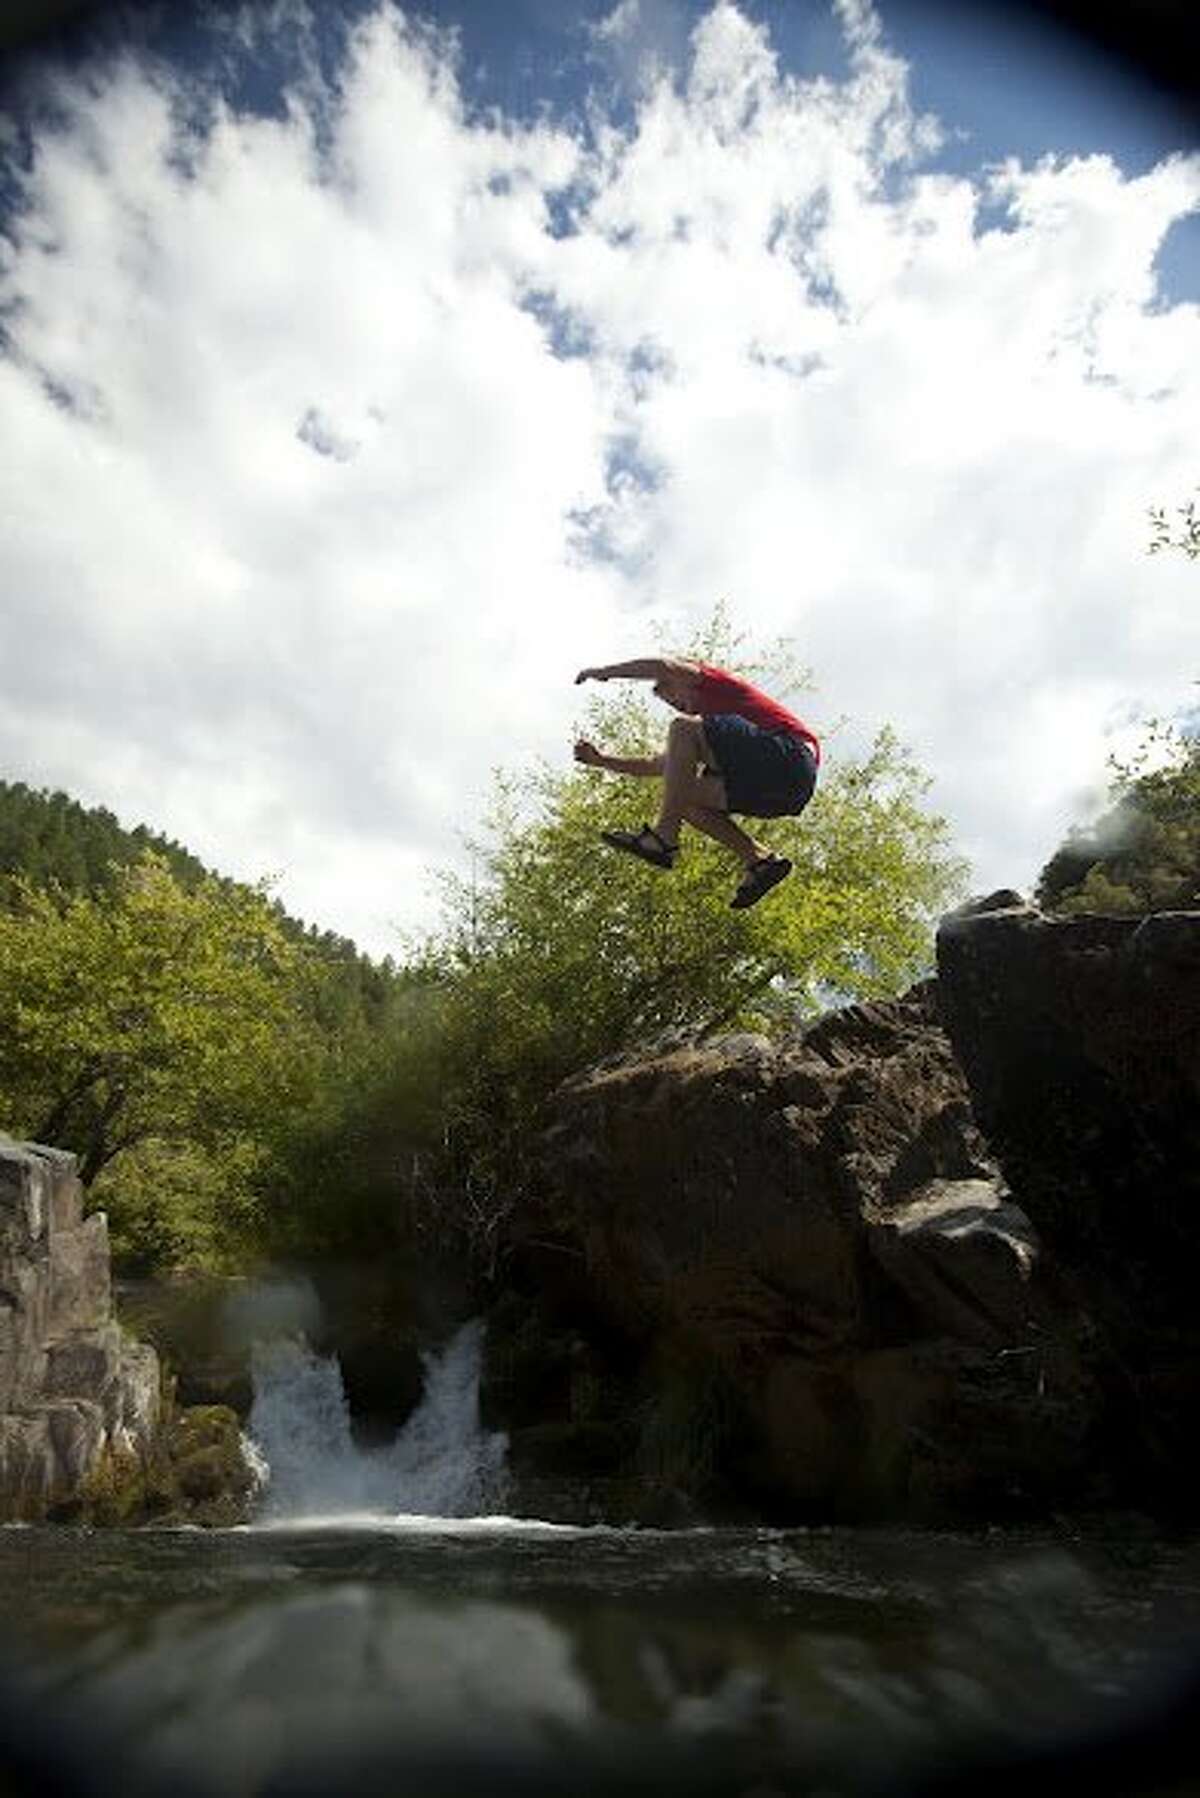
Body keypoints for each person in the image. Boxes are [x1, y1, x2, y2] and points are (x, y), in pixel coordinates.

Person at [573, 655, 820, 908]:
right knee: (682, 797)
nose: (683, 708)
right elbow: (655, 766)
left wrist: (604, 671)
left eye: (678, 699)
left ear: (685, 680)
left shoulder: (715, 682)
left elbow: (663, 666)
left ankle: (664, 838)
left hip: (791, 757)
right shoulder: (713, 735)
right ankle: (761, 860)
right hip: (787, 792)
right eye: (676, 707)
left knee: (681, 728)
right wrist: (602, 761)